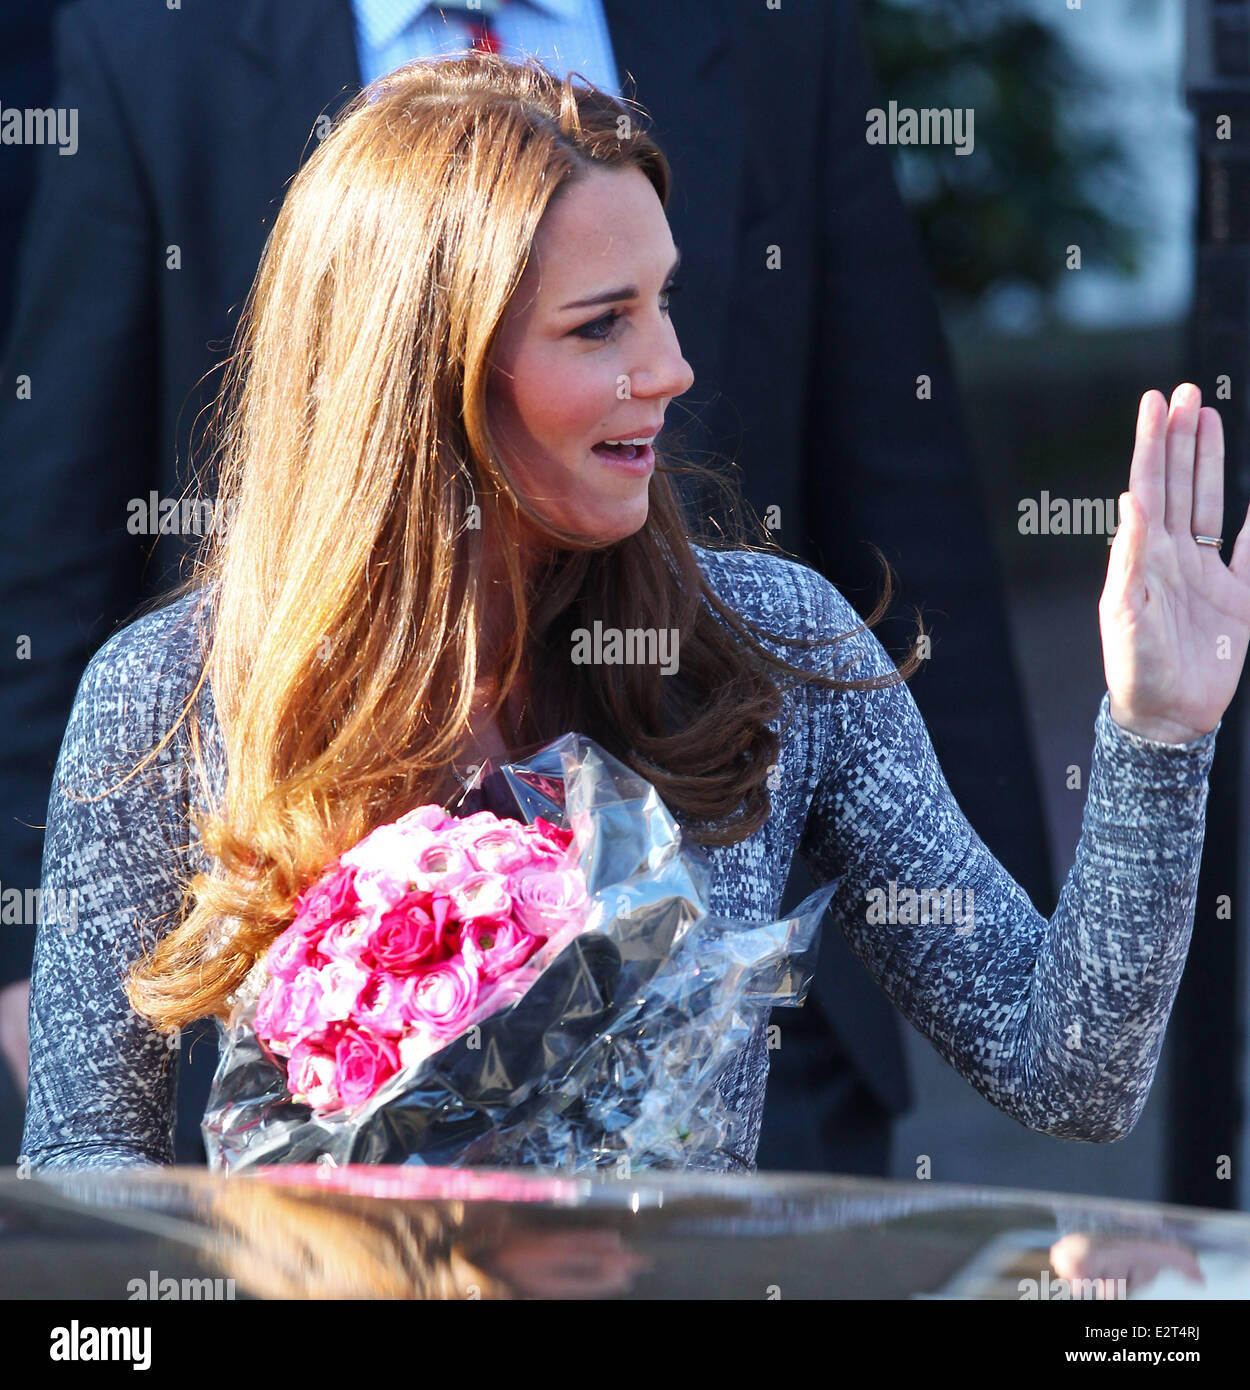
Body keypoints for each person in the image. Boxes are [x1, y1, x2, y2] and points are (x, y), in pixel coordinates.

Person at [21, 56, 1243, 1172]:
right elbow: (88, 1167)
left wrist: (1155, 729)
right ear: (425, 369)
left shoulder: (773, 644)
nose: (668, 367)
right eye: (600, 323)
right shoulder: (173, 694)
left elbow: (1066, 1071)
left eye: (663, 303)